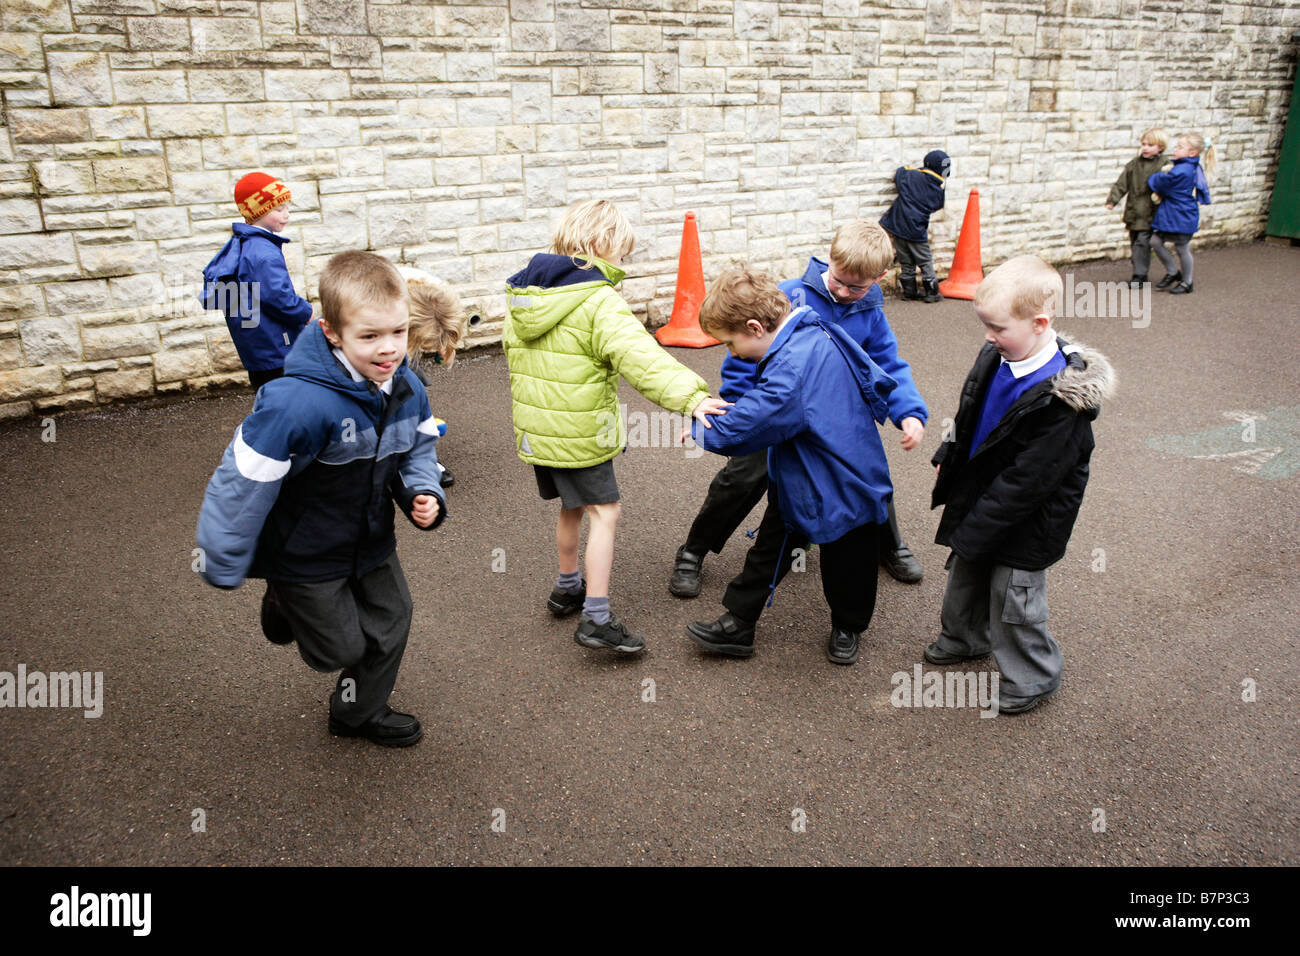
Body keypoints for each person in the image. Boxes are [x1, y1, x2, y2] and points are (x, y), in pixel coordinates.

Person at [196, 250, 446, 747]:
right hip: (303, 553)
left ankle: (356, 712)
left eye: (398, 332)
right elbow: (244, 479)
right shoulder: (295, 404)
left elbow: (418, 445)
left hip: (370, 539)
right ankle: (285, 601)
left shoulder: (407, 386)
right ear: (332, 331)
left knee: (394, 620)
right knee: (339, 648)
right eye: (369, 336)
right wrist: (221, 557)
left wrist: (424, 489)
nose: (389, 349)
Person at [503, 199, 728, 654]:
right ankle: (596, 618)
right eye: (621, 252)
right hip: (580, 430)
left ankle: (568, 587)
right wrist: (693, 397)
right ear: (602, 244)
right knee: (605, 513)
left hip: (539, 428)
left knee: (570, 507)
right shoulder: (597, 299)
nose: (622, 261)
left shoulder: (524, 293)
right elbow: (641, 359)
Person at [670, 220, 928, 603]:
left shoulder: (870, 309)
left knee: (864, 479)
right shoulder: (788, 297)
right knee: (742, 478)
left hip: (830, 418)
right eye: (839, 280)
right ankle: (694, 550)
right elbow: (742, 357)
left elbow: (885, 364)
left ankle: (888, 546)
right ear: (830, 259)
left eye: (857, 287)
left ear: (880, 278)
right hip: (771, 411)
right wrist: (739, 409)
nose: (844, 292)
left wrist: (907, 411)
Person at [927, 255, 1115, 714]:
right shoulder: (998, 353)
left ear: (1039, 323)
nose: (989, 337)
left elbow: (1028, 484)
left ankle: (1034, 676)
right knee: (966, 576)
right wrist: (949, 453)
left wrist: (978, 527)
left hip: (1030, 519)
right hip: (983, 494)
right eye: (986, 327)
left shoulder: (1061, 405)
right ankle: (966, 638)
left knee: (1015, 598)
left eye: (998, 328)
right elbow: (970, 411)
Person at [688, 264, 898, 665]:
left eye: (730, 344)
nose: (732, 354)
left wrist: (702, 430)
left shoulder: (792, 367)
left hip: (841, 483)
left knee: (847, 559)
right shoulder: (807, 330)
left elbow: (754, 420)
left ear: (753, 327)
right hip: (803, 474)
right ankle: (739, 622)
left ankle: (848, 626)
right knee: (771, 546)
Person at [199, 171, 313, 389]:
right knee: (285, 402)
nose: (286, 214)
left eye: (287, 207)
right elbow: (277, 296)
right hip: (277, 347)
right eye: (278, 209)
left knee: (268, 399)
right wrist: (306, 312)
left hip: (257, 345)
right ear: (257, 212)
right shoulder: (263, 252)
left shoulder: (243, 243)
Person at [398, 264, 468, 489]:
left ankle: (421, 453)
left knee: (412, 387)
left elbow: (448, 323)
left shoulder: (441, 296)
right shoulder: (380, 298)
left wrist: (444, 344)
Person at [1148, 132, 1215, 295]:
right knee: (1155, 241)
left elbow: (1162, 184)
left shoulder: (1182, 170)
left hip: (1181, 214)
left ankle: (1187, 282)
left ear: (1192, 153)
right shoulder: (1185, 166)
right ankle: (1173, 272)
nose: (1175, 149)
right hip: (1173, 212)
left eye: (1180, 147)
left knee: (1182, 248)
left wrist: (1156, 176)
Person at [880, 150, 950, 302]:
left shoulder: (911, 176)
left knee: (906, 261)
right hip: (916, 231)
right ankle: (931, 292)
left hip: (898, 227)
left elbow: (899, 173)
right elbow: (937, 206)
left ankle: (909, 291)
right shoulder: (938, 190)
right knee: (925, 260)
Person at [1105, 127, 1168, 288]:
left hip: (1150, 213)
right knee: (1135, 242)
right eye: (1143, 144)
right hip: (1134, 211)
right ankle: (1140, 273)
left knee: (1142, 243)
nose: (1145, 148)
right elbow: (1121, 184)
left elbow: (1170, 185)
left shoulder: (1164, 165)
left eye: (1150, 145)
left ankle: (1140, 276)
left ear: (1160, 147)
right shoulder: (1134, 165)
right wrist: (1113, 200)